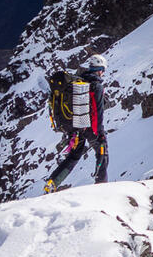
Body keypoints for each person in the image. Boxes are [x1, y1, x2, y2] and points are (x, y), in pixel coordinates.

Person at [43, 54, 110, 193]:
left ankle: (52, 183)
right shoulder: (96, 85)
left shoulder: (78, 81)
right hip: (89, 127)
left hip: (74, 127)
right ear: (99, 70)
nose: (103, 73)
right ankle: (102, 184)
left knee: (73, 156)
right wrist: (98, 133)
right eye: (103, 70)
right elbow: (97, 112)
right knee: (102, 151)